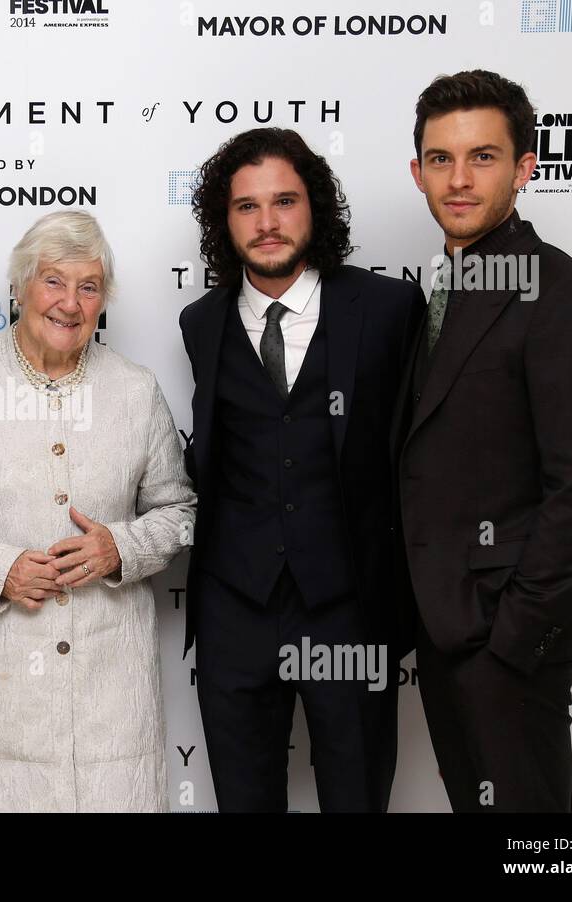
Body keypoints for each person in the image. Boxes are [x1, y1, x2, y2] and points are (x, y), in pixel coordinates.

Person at [181, 128, 426, 812]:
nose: (266, 223)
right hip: (236, 611)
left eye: (284, 201)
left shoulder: (386, 308)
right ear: (222, 221)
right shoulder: (200, 322)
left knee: (357, 798)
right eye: (246, 206)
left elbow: (418, 453)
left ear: (313, 207)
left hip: (349, 607)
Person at [0, 211, 196, 812]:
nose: (70, 303)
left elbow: (178, 510)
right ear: (19, 287)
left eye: (89, 286)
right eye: (53, 281)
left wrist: (120, 547)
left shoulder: (135, 389)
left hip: (108, 693)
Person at [399, 70, 572, 812]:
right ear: (418, 170)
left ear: (525, 168)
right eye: (440, 159)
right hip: (443, 631)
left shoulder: (563, 297)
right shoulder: (442, 288)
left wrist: (513, 638)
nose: (458, 180)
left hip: (508, 644)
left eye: (483, 157)